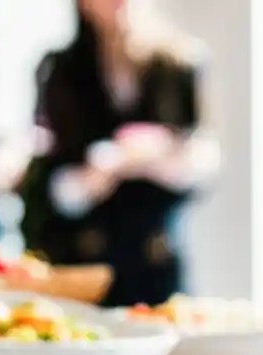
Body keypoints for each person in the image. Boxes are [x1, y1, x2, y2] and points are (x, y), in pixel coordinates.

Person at [20, 0, 217, 307]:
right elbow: (48, 185)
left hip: (158, 262)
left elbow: (202, 166)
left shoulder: (178, 64)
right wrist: (98, 171)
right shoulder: (61, 71)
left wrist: (152, 157)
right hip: (87, 264)